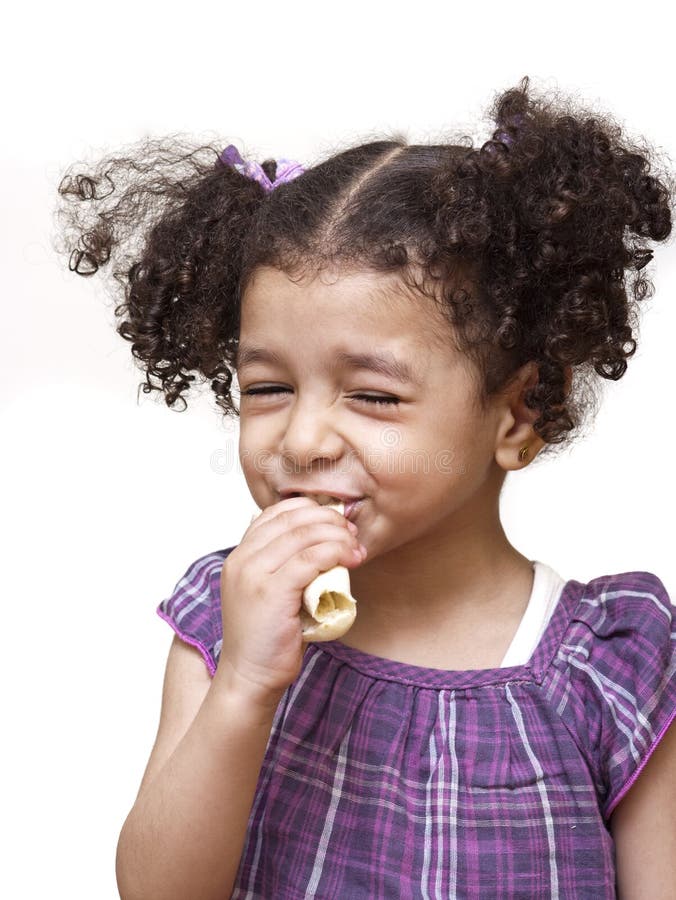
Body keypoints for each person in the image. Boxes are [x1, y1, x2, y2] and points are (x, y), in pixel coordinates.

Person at [56, 76, 676, 899]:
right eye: (268, 388)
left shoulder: (614, 662)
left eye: (374, 396)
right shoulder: (227, 614)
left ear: (520, 412)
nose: (301, 441)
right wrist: (244, 686)